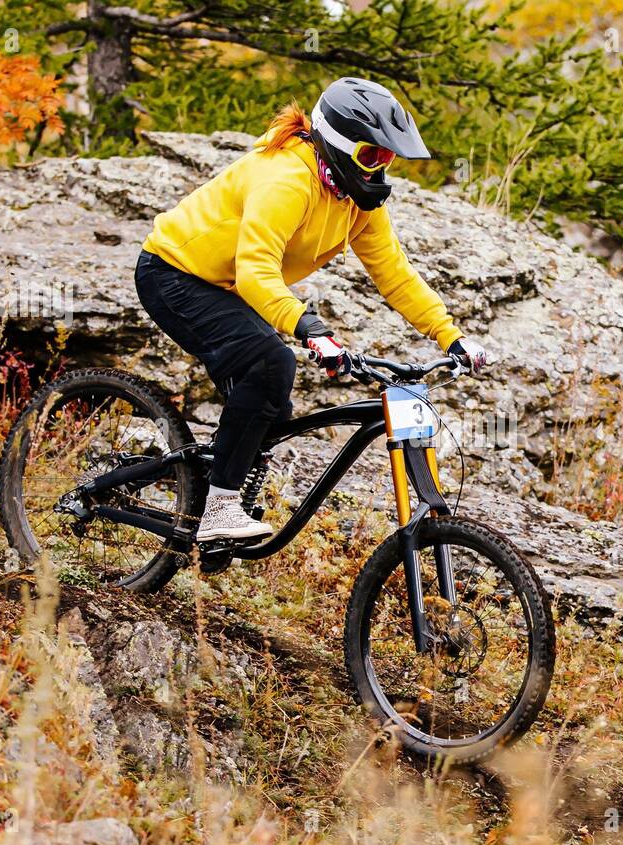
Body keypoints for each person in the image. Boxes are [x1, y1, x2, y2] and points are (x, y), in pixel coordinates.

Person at [135, 76, 487, 542]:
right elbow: (256, 269)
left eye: (387, 157)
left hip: (229, 287)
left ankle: (209, 504)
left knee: (271, 406)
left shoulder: (357, 202)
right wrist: (309, 328)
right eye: (370, 155)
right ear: (338, 145)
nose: (379, 167)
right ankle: (218, 510)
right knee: (271, 362)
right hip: (174, 273)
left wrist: (452, 336)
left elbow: (396, 276)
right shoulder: (286, 179)